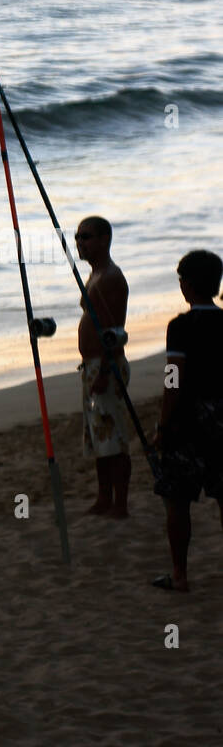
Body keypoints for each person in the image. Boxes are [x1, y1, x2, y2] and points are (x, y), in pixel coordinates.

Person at [151, 250, 223, 592]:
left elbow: (172, 378)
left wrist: (163, 425)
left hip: (188, 424)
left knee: (178, 501)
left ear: (189, 285)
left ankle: (179, 574)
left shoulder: (180, 327)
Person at [75, 216, 132, 517]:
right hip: (92, 366)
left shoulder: (111, 277)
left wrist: (107, 371)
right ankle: (103, 497)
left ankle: (120, 502)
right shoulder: (95, 274)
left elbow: (116, 331)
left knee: (114, 436)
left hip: (105, 367)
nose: (79, 243)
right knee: (99, 437)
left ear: (104, 239)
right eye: (77, 237)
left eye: (86, 237)